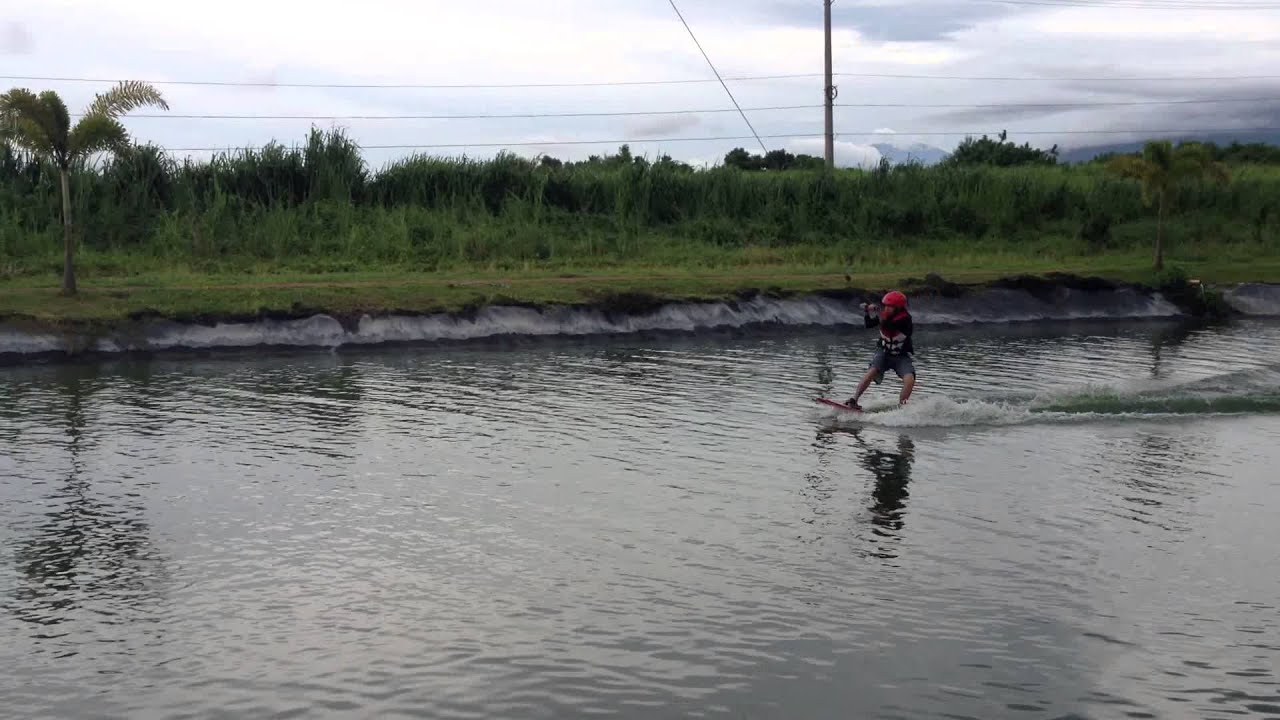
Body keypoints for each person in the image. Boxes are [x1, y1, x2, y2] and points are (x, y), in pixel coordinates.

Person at [846, 290, 916, 410]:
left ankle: (902, 408)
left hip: (901, 356)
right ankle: (854, 400)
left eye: (891, 307)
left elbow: (892, 325)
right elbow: (869, 324)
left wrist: (877, 311)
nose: (887, 309)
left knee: (909, 380)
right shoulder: (885, 315)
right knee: (872, 370)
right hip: (883, 353)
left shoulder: (905, 319)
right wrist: (868, 312)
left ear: (898, 308)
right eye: (886, 306)